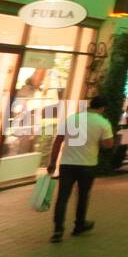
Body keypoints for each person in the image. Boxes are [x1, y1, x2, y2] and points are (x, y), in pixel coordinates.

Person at [47, 95, 116, 242]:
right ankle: (79, 225)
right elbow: (108, 144)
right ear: (102, 108)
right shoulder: (103, 123)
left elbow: (58, 141)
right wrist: (98, 142)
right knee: (83, 196)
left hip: (67, 164)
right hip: (87, 165)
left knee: (62, 198)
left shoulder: (72, 119)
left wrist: (52, 162)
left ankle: (58, 230)